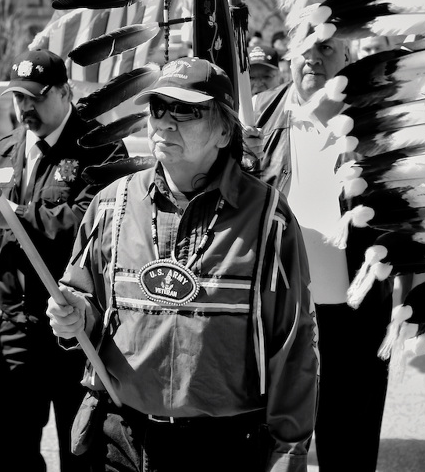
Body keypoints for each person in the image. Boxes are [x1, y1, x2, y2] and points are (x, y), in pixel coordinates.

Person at [46, 57, 317, 472]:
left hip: (224, 446)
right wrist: (75, 314)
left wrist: (289, 451)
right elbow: (86, 299)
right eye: (157, 108)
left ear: (226, 130)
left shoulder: (268, 219)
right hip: (123, 437)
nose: (165, 123)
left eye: (187, 110)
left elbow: (294, 343)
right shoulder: (111, 204)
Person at [0, 48, 128, 472]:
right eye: (18, 98)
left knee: (80, 449)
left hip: (74, 327)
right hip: (16, 325)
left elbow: (90, 223)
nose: (25, 108)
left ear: (65, 91)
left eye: (35, 97)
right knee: (12, 444)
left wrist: (17, 214)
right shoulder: (1, 151)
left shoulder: (101, 147)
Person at [253, 25, 392, 472]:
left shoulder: (375, 119)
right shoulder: (257, 114)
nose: (312, 58)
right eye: (303, 49)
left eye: (326, 48)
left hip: (355, 311)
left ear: (347, 55)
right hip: (278, 310)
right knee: (271, 438)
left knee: (348, 438)